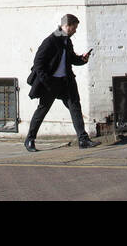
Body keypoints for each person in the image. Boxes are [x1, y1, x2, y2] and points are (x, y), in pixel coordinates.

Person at [24, 13, 95, 151]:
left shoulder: (67, 41)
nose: (75, 31)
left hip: (66, 81)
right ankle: (30, 140)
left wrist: (82, 59)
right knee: (43, 109)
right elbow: (38, 63)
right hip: (51, 83)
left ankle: (83, 140)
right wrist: (47, 82)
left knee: (75, 107)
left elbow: (71, 59)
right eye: (74, 28)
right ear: (67, 26)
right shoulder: (50, 41)